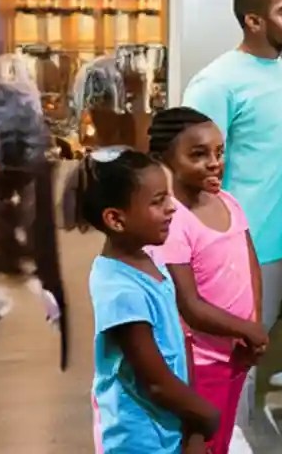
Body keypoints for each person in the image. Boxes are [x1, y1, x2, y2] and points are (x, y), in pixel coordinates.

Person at [183, 0, 282, 452]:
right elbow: (188, 165)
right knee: (238, 358)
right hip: (249, 247)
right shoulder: (217, 82)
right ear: (253, 21)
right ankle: (226, 442)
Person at [148, 106, 270, 454]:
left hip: (235, 351)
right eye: (198, 155)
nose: (214, 163)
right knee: (202, 439)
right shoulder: (173, 222)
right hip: (200, 362)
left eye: (219, 153)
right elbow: (188, 304)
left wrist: (253, 324)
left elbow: (252, 266)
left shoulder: (228, 202)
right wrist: (244, 330)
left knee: (224, 435)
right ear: (163, 159)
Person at [83, 148, 219, 453]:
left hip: (167, 430)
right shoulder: (120, 291)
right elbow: (155, 383)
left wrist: (192, 425)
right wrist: (207, 417)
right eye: (158, 202)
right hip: (140, 442)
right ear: (116, 219)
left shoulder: (146, 262)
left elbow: (175, 344)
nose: (172, 208)